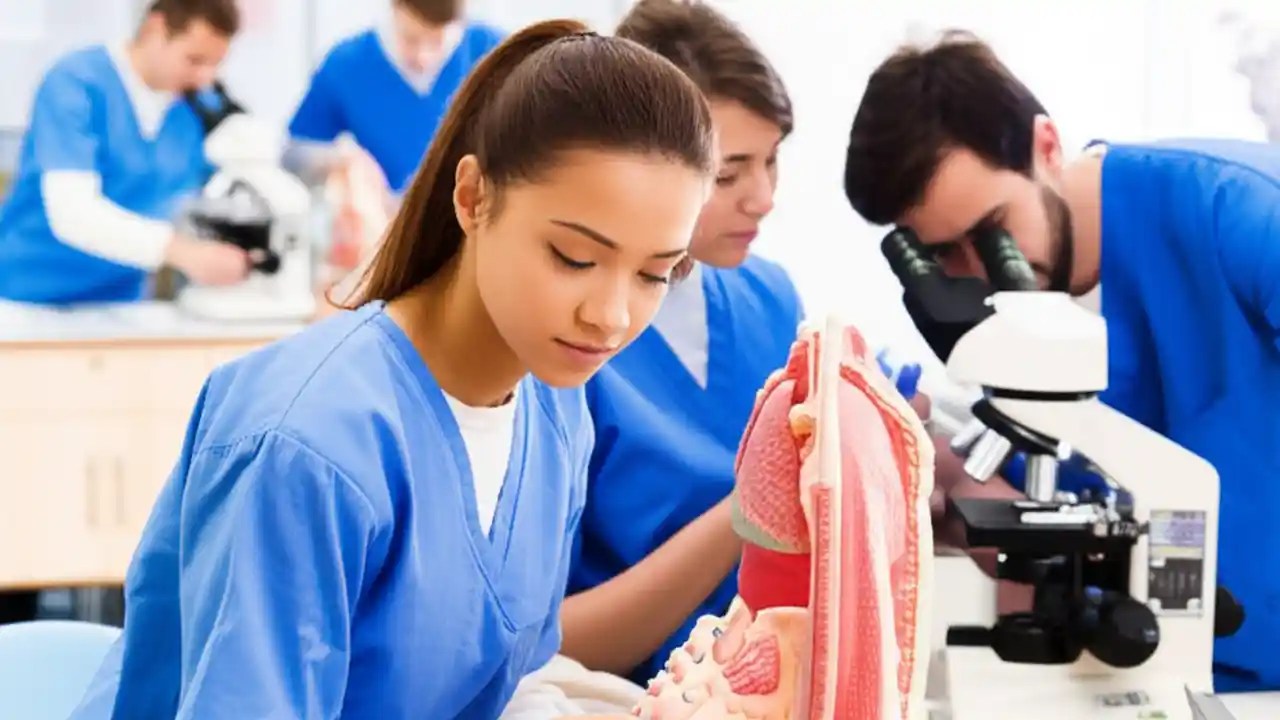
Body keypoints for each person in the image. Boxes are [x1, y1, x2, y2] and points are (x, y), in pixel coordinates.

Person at [67, 19, 716, 719]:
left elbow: (494, 681)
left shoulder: (555, 412)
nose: (613, 316)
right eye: (574, 259)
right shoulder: (309, 441)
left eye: (658, 273)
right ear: (473, 198)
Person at [843, 30, 1280, 692]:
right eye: (943, 256)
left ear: (1046, 147)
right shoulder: (1021, 312)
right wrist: (939, 478)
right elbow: (1032, 517)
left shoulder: (1242, 213)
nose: (978, 274)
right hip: (1177, 678)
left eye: (991, 233)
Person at [559, 0, 803, 686]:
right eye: (729, 174)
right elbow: (551, 642)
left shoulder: (770, 297)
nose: (763, 198)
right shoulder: (574, 341)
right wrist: (748, 510)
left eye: (772, 162)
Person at [0, 0, 252, 306]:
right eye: (194, 60)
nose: (204, 78)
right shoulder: (77, 83)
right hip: (27, 296)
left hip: (121, 301)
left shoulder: (198, 110)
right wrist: (184, 253)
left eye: (215, 64)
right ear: (155, 29)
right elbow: (73, 213)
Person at [288, 0, 506, 196]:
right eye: (411, 40)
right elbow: (293, 154)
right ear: (394, 8)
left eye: (438, 41)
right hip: (383, 228)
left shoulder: (497, 54)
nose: (424, 57)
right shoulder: (346, 64)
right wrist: (340, 161)